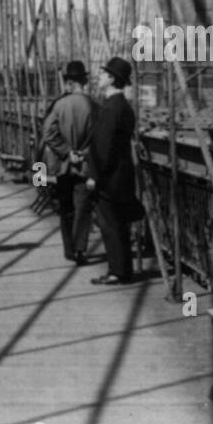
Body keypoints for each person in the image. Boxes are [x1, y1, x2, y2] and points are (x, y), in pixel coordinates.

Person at [86, 56, 138, 285]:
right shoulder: (124, 106)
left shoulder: (110, 108)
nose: (99, 77)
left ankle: (117, 271)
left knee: (110, 224)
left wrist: (93, 176)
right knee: (120, 223)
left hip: (109, 178)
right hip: (123, 174)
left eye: (103, 74)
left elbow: (103, 147)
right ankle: (123, 269)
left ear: (112, 79)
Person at [41, 60, 97, 264]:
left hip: (62, 165)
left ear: (69, 82)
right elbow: (100, 138)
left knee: (66, 207)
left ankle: (69, 249)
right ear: (83, 81)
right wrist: (82, 152)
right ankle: (80, 249)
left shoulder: (59, 105)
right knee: (83, 208)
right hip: (85, 164)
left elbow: (47, 132)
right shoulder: (94, 105)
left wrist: (66, 151)